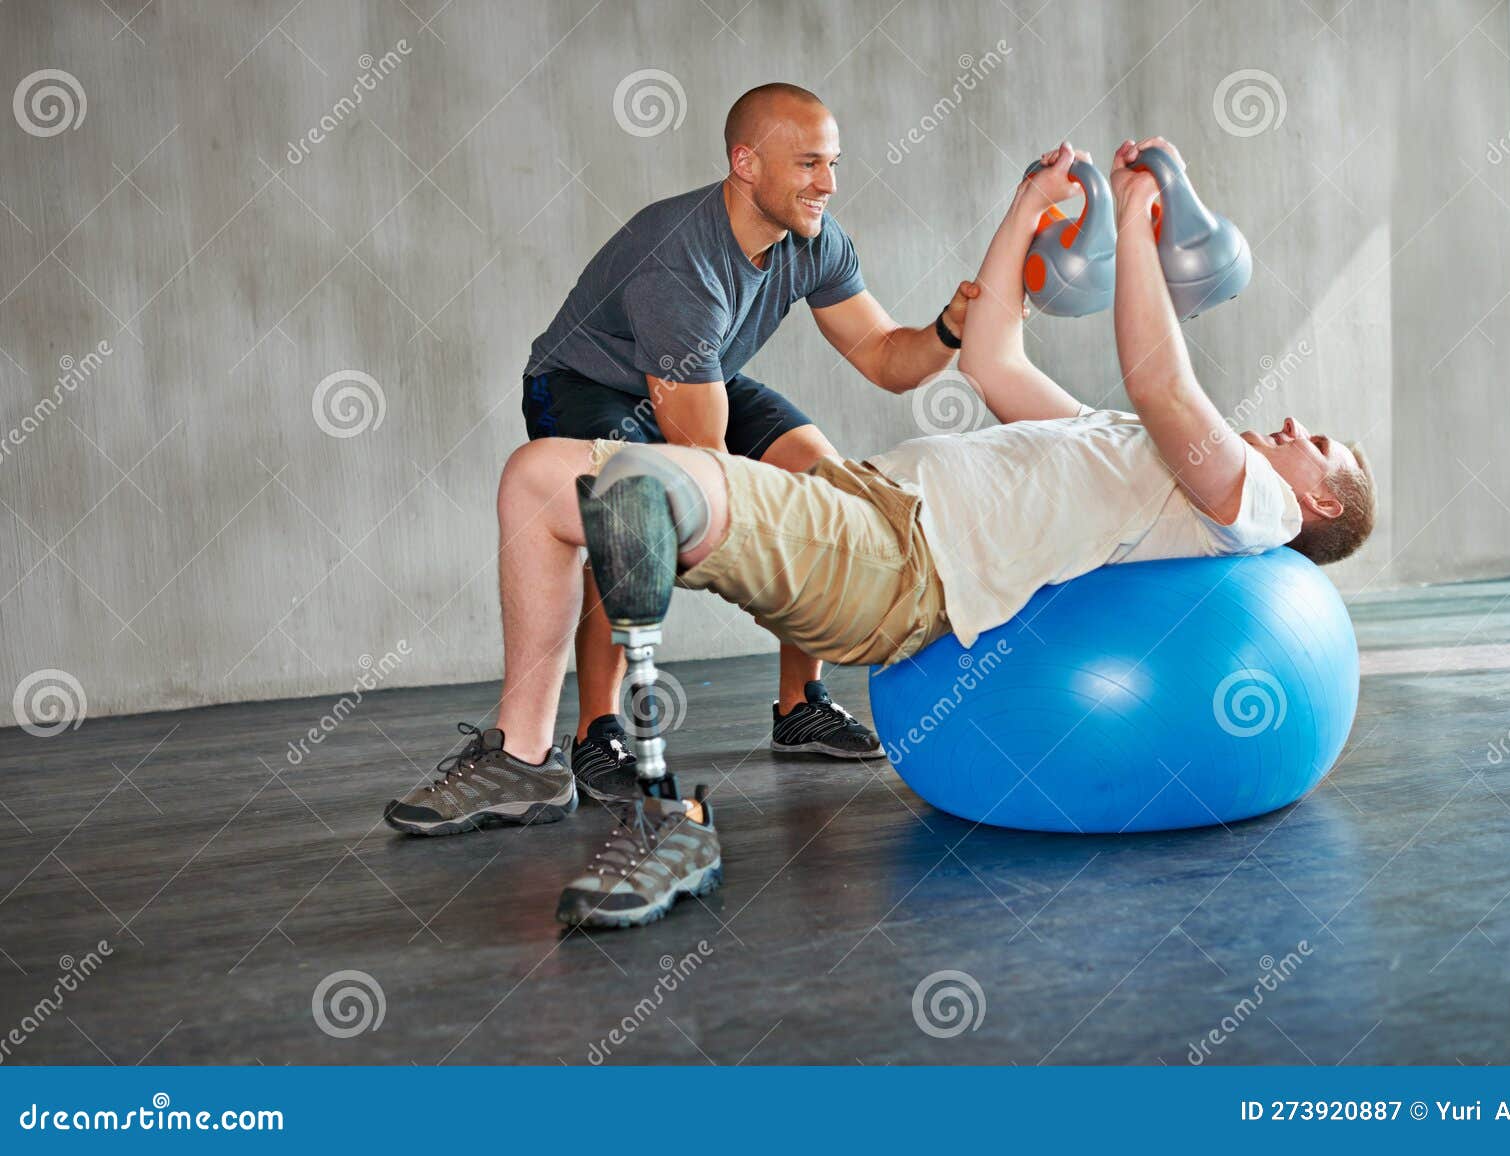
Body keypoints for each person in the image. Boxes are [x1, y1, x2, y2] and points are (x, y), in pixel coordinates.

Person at [383, 136, 1376, 931]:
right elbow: (991, 359)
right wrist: (1025, 208)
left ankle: (663, 814)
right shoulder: (1127, 446)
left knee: (636, 485)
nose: (1296, 424)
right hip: (865, 503)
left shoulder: (1253, 507)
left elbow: (1163, 381)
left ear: (1320, 506)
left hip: (895, 562)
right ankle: (525, 754)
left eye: (1320, 445)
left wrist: (1139, 221)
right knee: (537, 478)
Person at [509, 82, 985, 800]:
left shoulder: (813, 239)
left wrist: (950, 330)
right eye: (808, 164)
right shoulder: (680, 261)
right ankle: (596, 732)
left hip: (701, 374)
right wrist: (773, 552)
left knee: (825, 486)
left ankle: (799, 706)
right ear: (746, 163)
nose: (828, 184)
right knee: (629, 519)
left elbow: (887, 358)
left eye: (833, 163)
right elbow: (709, 465)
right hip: (588, 381)